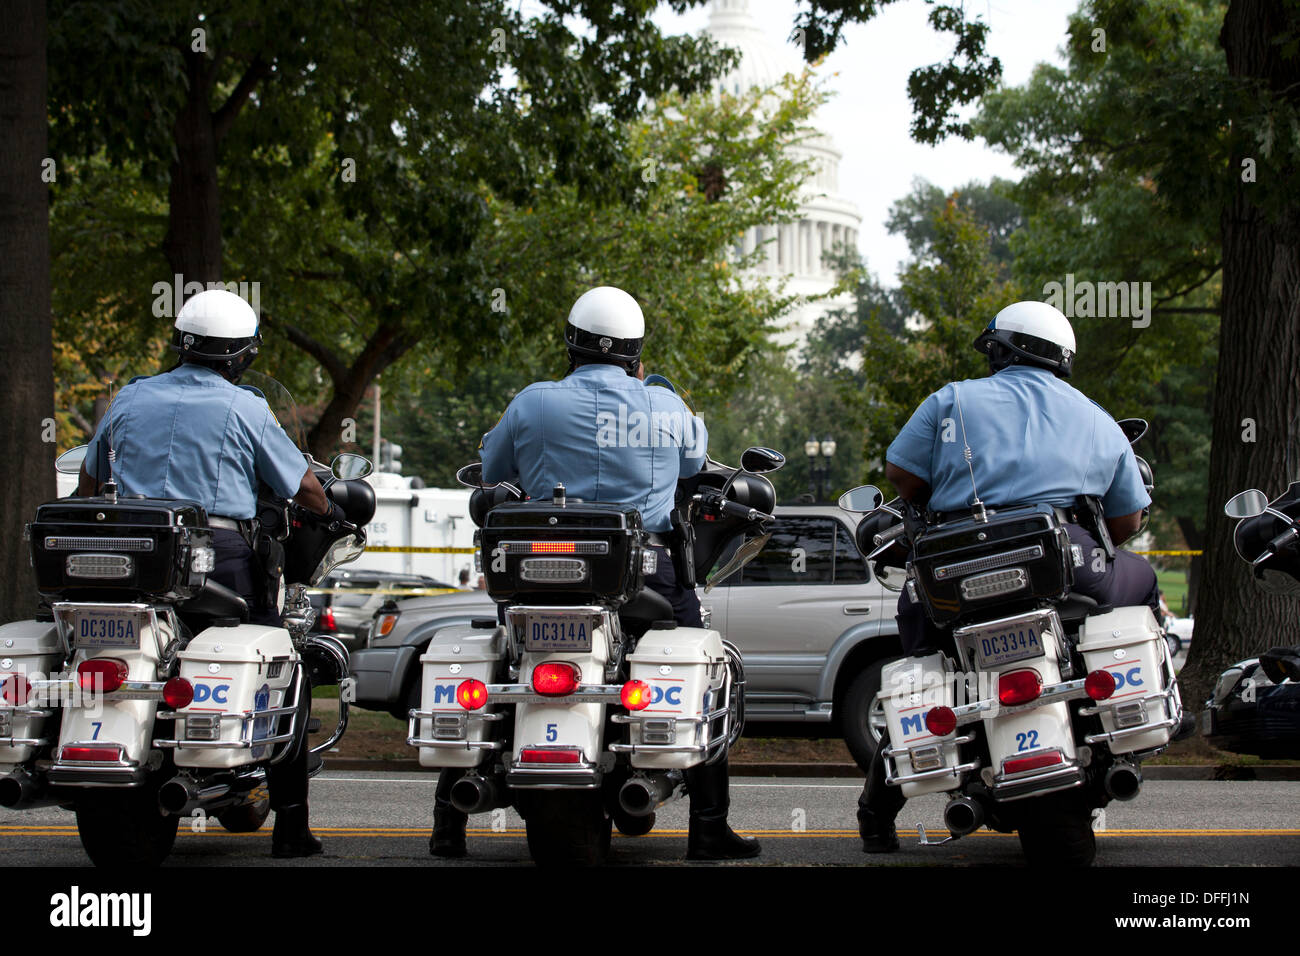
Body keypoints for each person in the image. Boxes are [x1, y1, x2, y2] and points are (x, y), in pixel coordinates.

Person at [429, 285, 759, 861]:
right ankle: (708, 828)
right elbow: (696, 465)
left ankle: (445, 826)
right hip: (645, 575)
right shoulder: (667, 409)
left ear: (571, 347)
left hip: (535, 575)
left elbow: (492, 471)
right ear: (636, 354)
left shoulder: (533, 402)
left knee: (507, 666)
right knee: (701, 665)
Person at [856, 300, 1160, 853]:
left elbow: (902, 474)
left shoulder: (951, 399)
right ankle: (1134, 714)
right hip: (1065, 565)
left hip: (956, 571)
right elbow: (1128, 519)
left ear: (999, 349)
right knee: (1140, 581)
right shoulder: (1096, 415)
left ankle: (877, 814)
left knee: (925, 670)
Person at [77, 288, 345, 858]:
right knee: (285, 664)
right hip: (217, 557)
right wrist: (330, 509)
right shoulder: (244, 406)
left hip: (128, 553)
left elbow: (88, 483)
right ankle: (291, 827)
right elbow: (302, 486)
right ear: (242, 355)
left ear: (181, 345)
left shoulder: (129, 397)